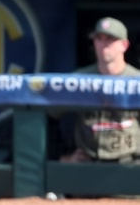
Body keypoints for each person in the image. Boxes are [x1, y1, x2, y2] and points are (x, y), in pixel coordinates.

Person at [57, 17, 140, 163]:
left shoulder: (136, 80)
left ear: (124, 45)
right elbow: (49, 115)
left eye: (110, 39)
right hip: (89, 163)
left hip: (130, 163)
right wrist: (65, 157)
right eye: (99, 38)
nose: (103, 44)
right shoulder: (78, 79)